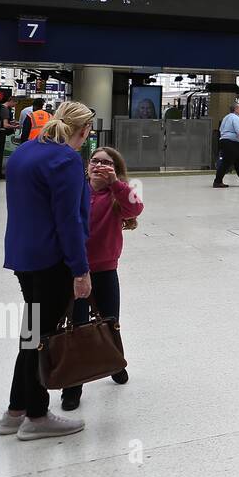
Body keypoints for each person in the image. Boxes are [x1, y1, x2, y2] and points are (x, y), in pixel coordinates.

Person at [0, 101, 95, 441]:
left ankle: (15, 410)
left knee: (32, 331)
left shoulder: (26, 150)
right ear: (83, 130)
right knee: (43, 338)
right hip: (52, 260)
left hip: (23, 254)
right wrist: (80, 270)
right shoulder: (65, 159)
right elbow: (68, 220)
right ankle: (37, 416)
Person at [61, 146, 144, 411]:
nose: (99, 166)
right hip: (75, 270)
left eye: (106, 163)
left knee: (110, 322)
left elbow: (136, 208)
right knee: (77, 326)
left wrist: (116, 184)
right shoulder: (77, 189)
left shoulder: (118, 194)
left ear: (116, 169)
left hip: (105, 268)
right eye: (95, 161)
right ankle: (73, 387)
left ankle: (115, 362)